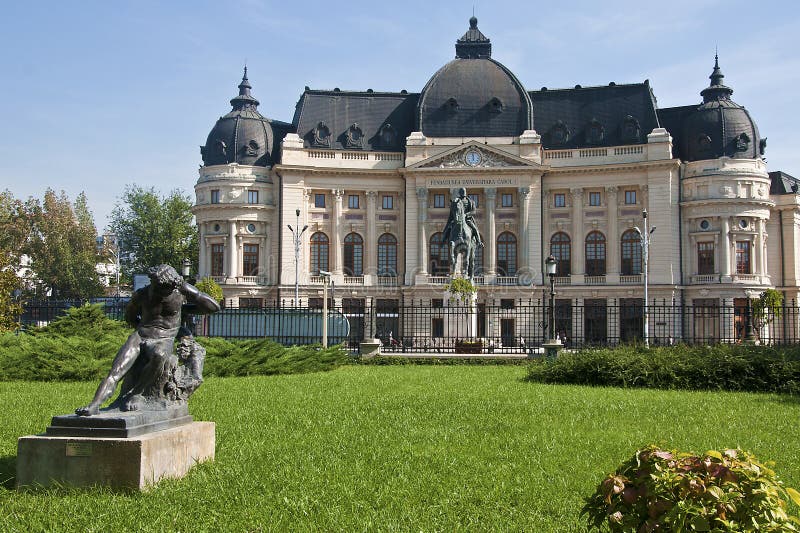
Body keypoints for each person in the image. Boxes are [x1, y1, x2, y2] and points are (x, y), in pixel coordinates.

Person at [76, 264, 220, 416]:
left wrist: (186, 301)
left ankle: (137, 393)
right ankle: (94, 405)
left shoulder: (180, 291)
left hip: (165, 338)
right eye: (157, 287)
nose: (160, 291)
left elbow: (213, 307)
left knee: (159, 355)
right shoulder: (142, 294)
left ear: (173, 285)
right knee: (117, 370)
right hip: (141, 335)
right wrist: (141, 332)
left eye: (164, 288)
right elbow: (130, 317)